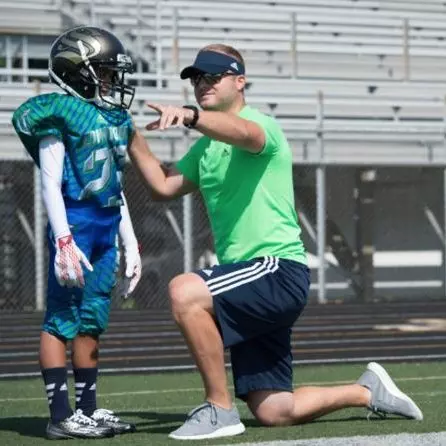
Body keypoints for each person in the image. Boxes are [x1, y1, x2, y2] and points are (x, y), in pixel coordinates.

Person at [128, 44, 423, 440]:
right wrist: (127, 135)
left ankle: (219, 408)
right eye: (197, 79)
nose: (202, 84)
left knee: (185, 291)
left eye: (213, 76)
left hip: (276, 270)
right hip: (248, 279)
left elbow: (245, 135)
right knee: (274, 410)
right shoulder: (206, 147)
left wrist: (192, 117)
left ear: (240, 81)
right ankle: (366, 390)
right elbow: (164, 186)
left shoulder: (261, 125)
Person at [12, 26, 142, 440]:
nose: (111, 82)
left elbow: (114, 189)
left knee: (92, 321)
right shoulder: (58, 112)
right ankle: (60, 415)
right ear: (78, 71)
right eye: (104, 73)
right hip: (76, 227)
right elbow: (50, 184)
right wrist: (64, 239)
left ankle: (87, 408)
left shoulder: (115, 119)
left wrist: (131, 241)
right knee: (61, 320)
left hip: (105, 227)